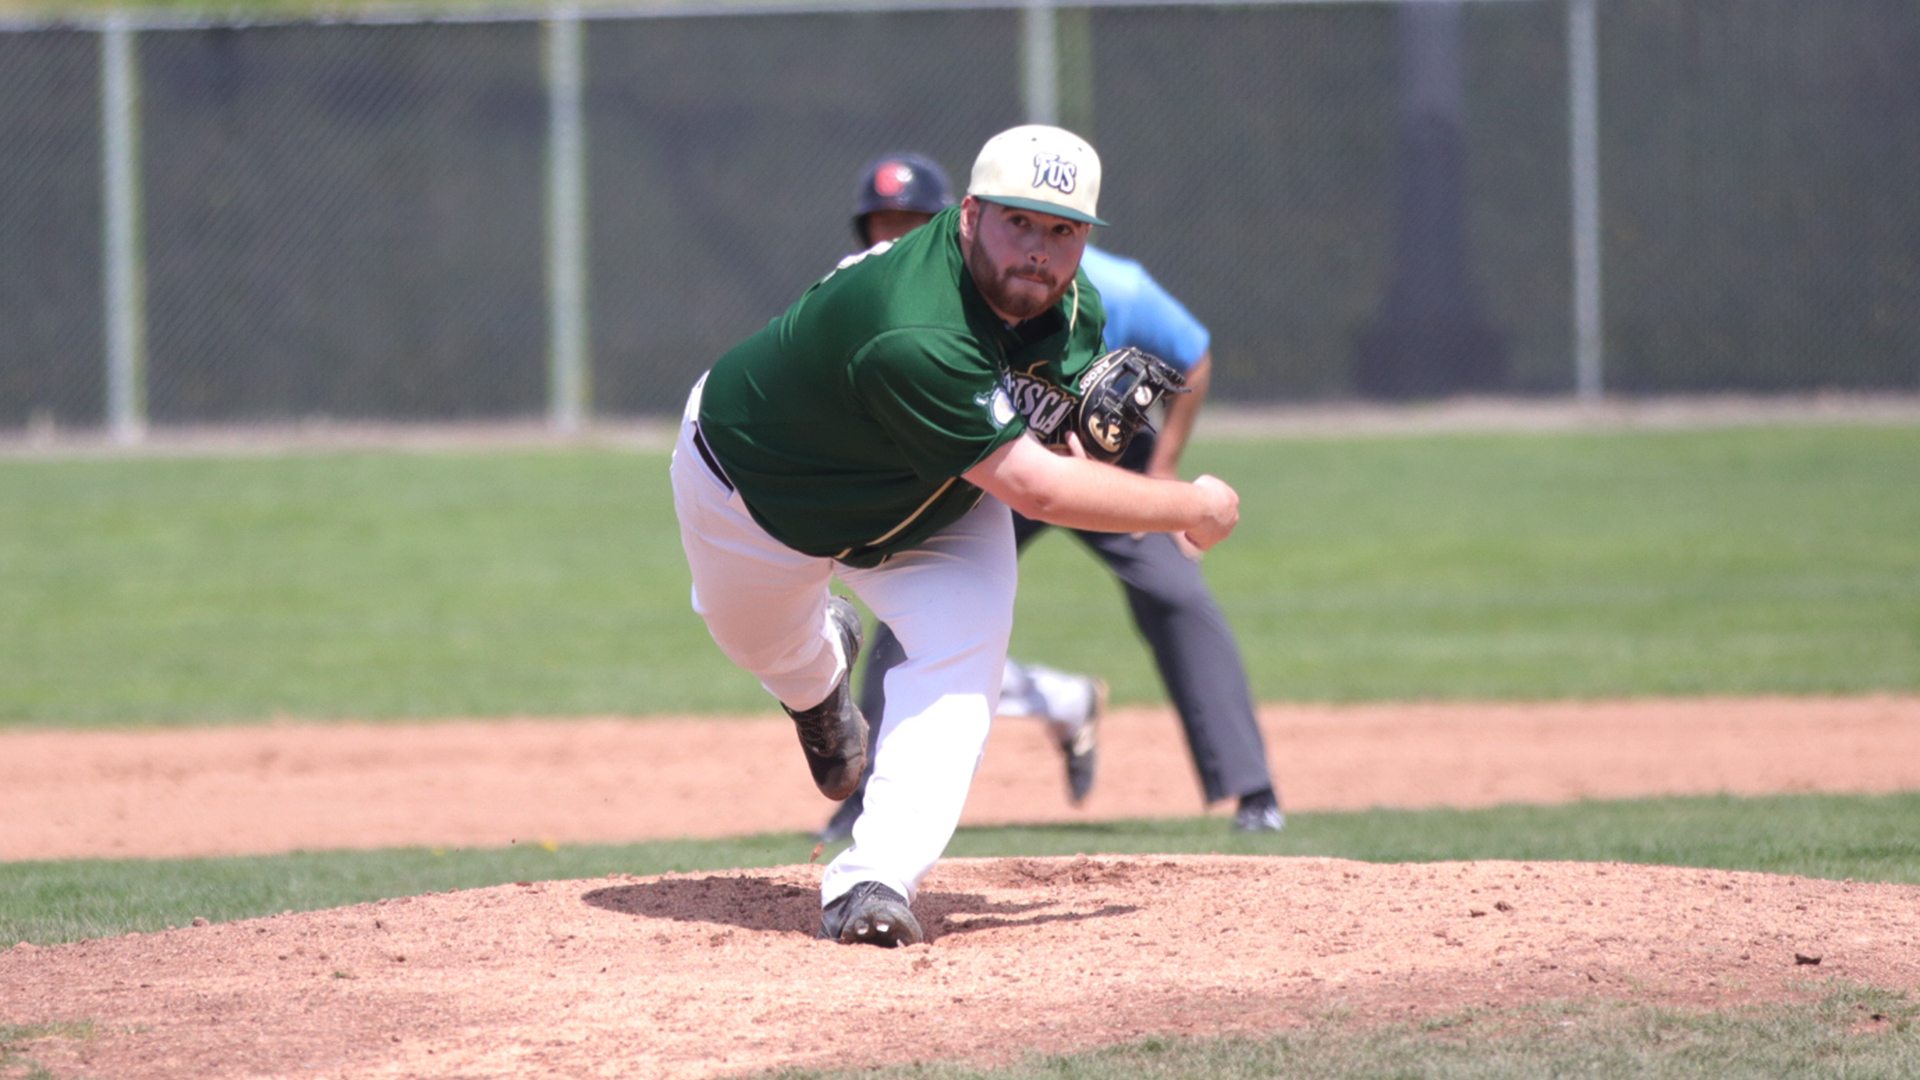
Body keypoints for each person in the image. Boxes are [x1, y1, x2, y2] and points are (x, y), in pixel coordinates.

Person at [672, 125, 1241, 947]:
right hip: (755, 492)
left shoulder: (1069, 303)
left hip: (932, 502)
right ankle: (817, 680)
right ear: (970, 214)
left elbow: (1044, 427)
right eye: (1020, 222)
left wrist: (1070, 414)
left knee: (962, 650)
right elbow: (1033, 487)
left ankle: (874, 879)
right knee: (764, 648)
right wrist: (1189, 503)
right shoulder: (912, 323)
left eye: (1064, 231)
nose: (1040, 253)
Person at [817, 151, 1284, 847]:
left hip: (1103, 452)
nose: (897, 237)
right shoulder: (921, 301)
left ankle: (1255, 791)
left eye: (912, 222)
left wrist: (1166, 470)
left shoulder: (1110, 287)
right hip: (992, 452)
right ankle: (866, 802)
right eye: (885, 225)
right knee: (912, 602)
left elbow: (1194, 353)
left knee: (1176, 593)